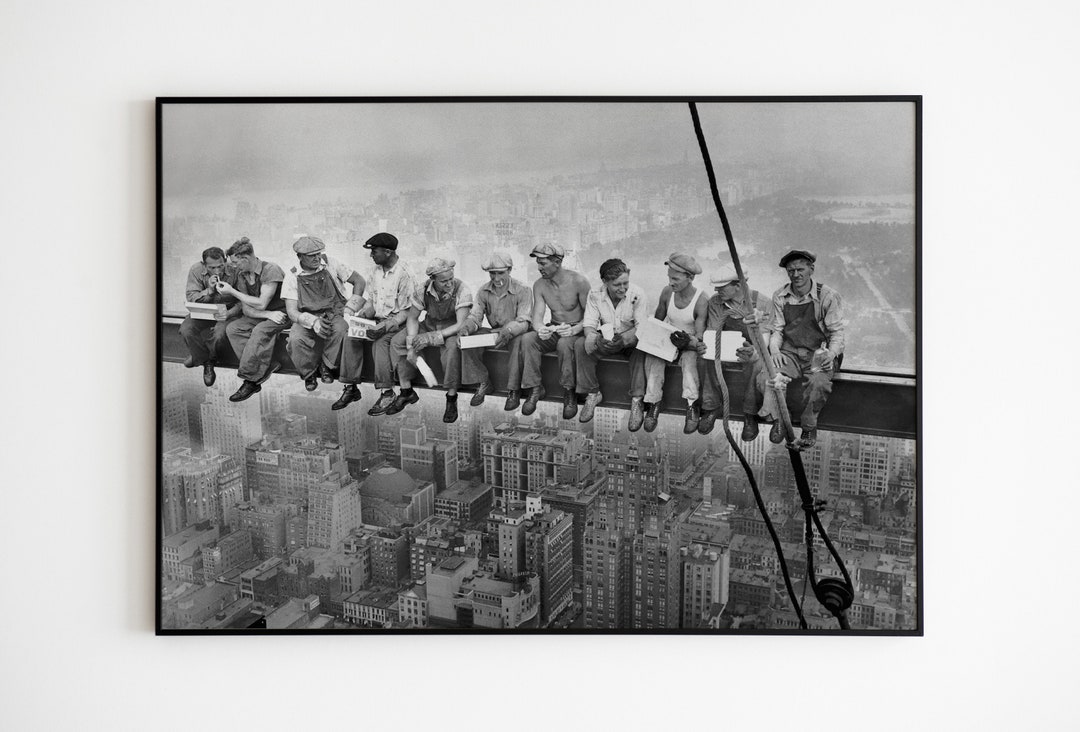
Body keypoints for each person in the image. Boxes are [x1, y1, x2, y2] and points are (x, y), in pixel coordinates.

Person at [756, 249, 846, 448]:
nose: (795, 275)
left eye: (800, 269)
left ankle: (808, 426)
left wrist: (830, 354)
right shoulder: (780, 296)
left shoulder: (827, 296)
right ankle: (780, 419)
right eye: (790, 271)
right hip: (790, 352)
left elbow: (837, 332)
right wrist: (775, 351)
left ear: (811, 269)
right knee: (767, 377)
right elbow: (777, 329)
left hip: (819, 353)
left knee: (818, 384)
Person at [282, 236, 367, 410]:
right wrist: (312, 322)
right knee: (295, 339)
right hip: (307, 315)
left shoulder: (331, 264)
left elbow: (360, 281)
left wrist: (351, 307)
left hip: (334, 311)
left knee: (341, 331)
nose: (317, 258)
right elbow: (292, 312)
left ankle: (327, 366)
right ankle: (309, 373)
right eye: (311, 255)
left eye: (318, 254)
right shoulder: (292, 276)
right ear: (300, 257)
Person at [385, 257, 473, 422]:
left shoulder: (462, 290)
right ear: (433, 279)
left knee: (452, 349)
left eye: (450, 279)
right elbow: (412, 318)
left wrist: (430, 338)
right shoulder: (422, 289)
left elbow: (461, 324)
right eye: (443, 281)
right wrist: (411, 345)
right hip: (429, 324)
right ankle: (406, 391)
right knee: (398, 341)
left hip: (451, 329)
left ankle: (451, 397)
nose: (449, 284)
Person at [697, 264, 773, 437]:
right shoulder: (716, 302)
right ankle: (711, 406)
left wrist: (753, 351)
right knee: (705, 357)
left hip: (751, 349)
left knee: (755, 363)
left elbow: (765, 338)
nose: (716, 290)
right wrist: (708, 346)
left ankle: (749, 414)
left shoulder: (762, 302)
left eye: (722, 287)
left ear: (738, 285)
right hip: (724, 346)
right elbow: (713, 331)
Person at [517, 243, 591, 418]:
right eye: (538, 263)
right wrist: (541, 329)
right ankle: (535, 388)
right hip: (555, 326)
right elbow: (537, 317)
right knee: (528, 339)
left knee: (565, 344)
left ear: (557, 262)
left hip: (577, 329)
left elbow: (591, 316)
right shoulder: (539, 285)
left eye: (543, 263)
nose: (539, 267)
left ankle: (569, 392)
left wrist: (574, 330)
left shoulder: (579, 282)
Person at [212, 238, 289, 402]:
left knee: (260, 331)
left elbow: (261, 303)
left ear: (245, 258)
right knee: (233, 329)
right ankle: (266, 365)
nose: (233, 266)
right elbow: (246, 308)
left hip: (282, 313)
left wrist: (232, 291)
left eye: (235, 262)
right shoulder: (242, 275)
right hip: (266, 314)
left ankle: (250, 380)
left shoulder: (271, 270)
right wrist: (267, 315)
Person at [575, 258, 649, 428]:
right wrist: (593, 337)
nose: (622, 288)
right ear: (605, 282)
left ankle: (637, 400)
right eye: (617, 285)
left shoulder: (638, 294)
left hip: (630, 340)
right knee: (581, 345)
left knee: (641, 350)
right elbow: (589, 324)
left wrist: (624, 340)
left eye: (625, 283)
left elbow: (641, 327)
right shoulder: (595, 294)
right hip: (607, 338)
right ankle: (593, 393)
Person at [643, 253, 709, 434]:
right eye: (669, 278)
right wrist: (654, 339)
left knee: (689, 362)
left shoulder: (701, 300)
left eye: (675, 279)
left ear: (690, 278)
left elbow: (700, 334)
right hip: (669, 338)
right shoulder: (667, 292)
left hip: (688, 342)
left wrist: (688, 341)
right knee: (654, 357)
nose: (671, 282)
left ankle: (692, 404)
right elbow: (657, 321)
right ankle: (653, 402)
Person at [459, 250, 533, 410]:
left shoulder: (523, 289)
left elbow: (524, 320)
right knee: (468, 342)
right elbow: (475, 316)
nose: (497, 278)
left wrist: (509, 330)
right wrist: (467, 327)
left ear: (510, 270)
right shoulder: (484, 291)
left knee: (518, 343)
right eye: (493, 274)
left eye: (501, 273)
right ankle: (483, 381)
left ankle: (513, 390)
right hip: (495, 333)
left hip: (516, 332)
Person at [357, 233, 417, 417]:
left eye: (374, 251)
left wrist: (386, 326)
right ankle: (353, 385)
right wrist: (362, 315)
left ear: (388, 252)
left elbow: (407, 311)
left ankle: (387, 392)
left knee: (381, 343)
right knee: (354, 338)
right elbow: (372, 301)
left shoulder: (405, 274)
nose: (371, 255)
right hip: (381, 320)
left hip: (401, 323)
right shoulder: (376, 271)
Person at [179, 246, 240, 387]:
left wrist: (229, 313)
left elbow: (242, 300)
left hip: (227, 311)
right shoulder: (196, 270)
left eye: (220, 266)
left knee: (220, 334)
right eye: (212, 268)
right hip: (203, 310)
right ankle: (205, 360)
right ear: (204, 265)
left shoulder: (235, 270)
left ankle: (201, 358)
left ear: (225, 261)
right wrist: (210, 291)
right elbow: (191, 298)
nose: (217, 271)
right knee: (186, 329)